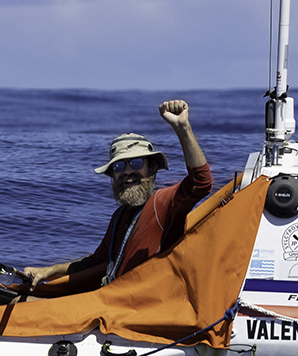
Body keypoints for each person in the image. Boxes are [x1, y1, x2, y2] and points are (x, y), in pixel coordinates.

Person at [22, 100, 212, 295]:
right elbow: (95, 263)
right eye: (119, 167)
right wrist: (47, 271)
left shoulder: (162, 203)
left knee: (20, 306)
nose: (128, 172)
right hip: (113, 304)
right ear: (113, 175)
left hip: (145, 312)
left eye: (136, 163)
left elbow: (201, 183)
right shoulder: (119, 217)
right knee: (26, 298)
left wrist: (183, 128)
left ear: (152, 168)